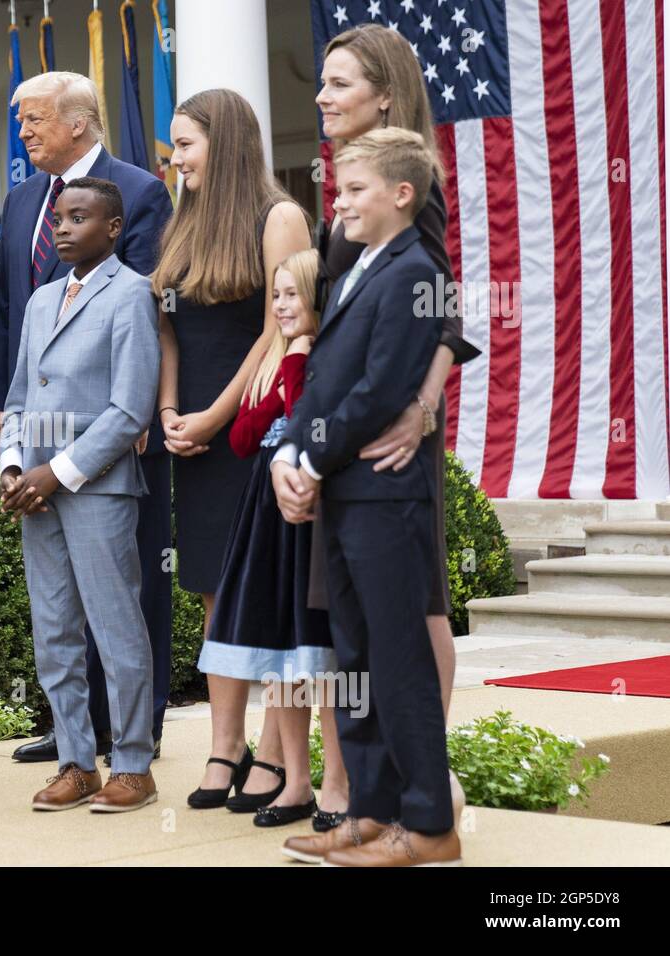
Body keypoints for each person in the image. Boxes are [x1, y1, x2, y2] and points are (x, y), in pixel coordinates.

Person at [309, 22, 481, 818]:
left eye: (341, 82)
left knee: (415, 608)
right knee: (350, 618)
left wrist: (420, 406)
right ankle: (357, 787)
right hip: (338, 432)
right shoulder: (347, 182)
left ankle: (426, 777)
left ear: (384, 94)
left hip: (390, 429)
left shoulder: (412, 181)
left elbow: (443, 305)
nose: (323, 95)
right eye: (322, 81)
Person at [276, 128, 459, 866]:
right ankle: (372, 811)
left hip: (384, 495)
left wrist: (308, 455)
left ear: (402, 195)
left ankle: (431, 827)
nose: (338, 203)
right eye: (339, 189)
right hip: (346, 492)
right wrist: (292, 451)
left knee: (398, 657)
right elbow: (325, 378)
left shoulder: (416, 268)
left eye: (354, 191)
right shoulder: (359, 265)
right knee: (353, 654)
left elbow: (380, 388)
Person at [0, 70, 174, 765]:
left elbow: (148, 317)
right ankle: (74, 746)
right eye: (19, 120)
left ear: (79, 122)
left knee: (121, 604)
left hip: (105, 446)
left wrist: (66, 463)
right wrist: (6, 435)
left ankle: (133, 740)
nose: (24, 132)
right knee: (55, 621)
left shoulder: (140, 190)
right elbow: (12, 311)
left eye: (34, 119)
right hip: (31, 442)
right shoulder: (23, 200)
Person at [151, 88, 312, 807]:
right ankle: (225, 749)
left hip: (253, 426)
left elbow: (281, 330)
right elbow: (167, 327)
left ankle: (279, 752)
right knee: (216, 590)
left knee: (267, 595)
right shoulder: (181, 224)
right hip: (191, 434)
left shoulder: (279, 216)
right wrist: (168, 411)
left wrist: (215, 415)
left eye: (186, 142)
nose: (176, 156)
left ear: (227, 141)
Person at [0, 178, 160, 812]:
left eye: (79, 218)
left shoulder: (133, 295)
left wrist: (58, 471)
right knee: (55, 630)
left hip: (96, 488)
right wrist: (14, 466)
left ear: (114, 228)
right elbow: (16, 398)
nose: (62, 228)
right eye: (59, 218)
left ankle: (134, 766)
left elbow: (128, 410)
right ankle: (75, 761)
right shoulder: (40, 301)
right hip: (34, 492)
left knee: (115, 625)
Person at [193, 249, 347, 830]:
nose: (282, 306)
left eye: (293, 295)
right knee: (280, 650)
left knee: (317, 652)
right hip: (265, 510)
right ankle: (296, 780)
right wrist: (277, 376)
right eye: (275, 296)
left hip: (304, 510)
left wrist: (293, 364)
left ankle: (335, 778)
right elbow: (242, 438)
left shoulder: (314, 360)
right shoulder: (282, 359)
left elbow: (310, 414)